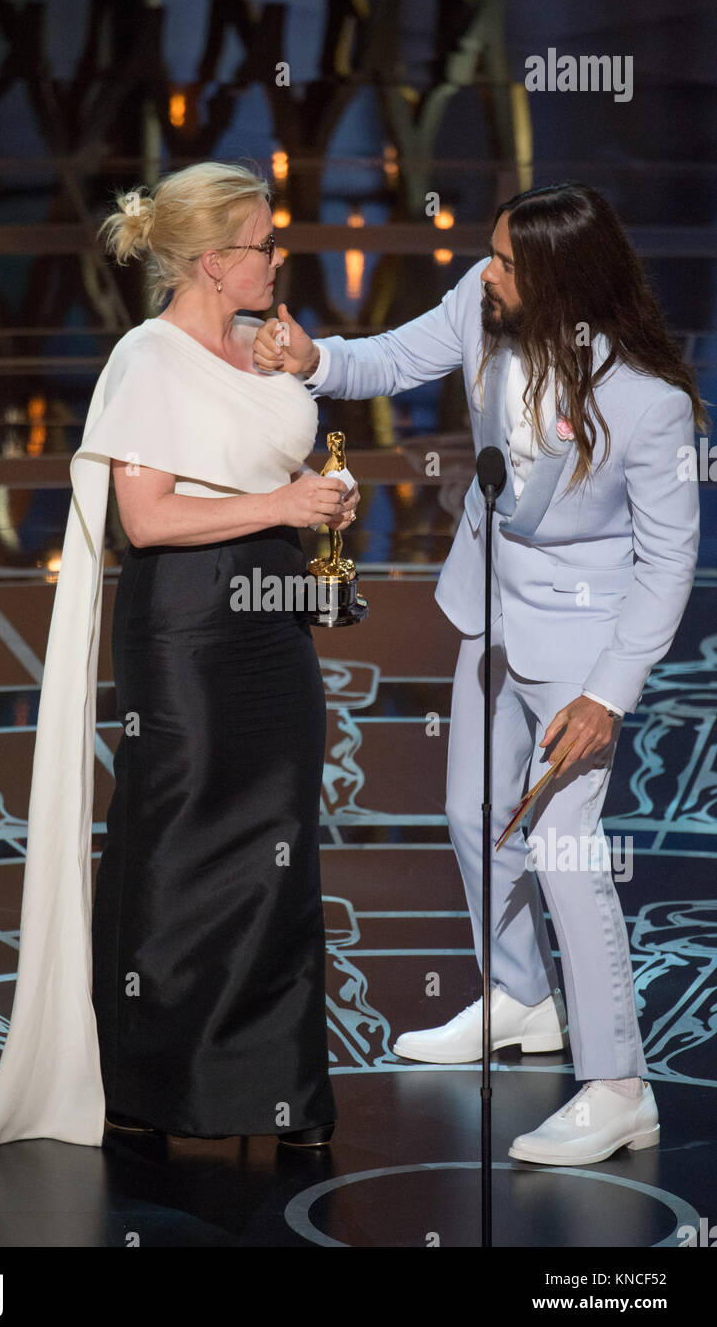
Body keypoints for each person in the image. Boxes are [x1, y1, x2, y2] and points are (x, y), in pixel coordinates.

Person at [253, 182, 705, 1166]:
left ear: (557, 282)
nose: (484, 270)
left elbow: (669, 565)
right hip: (490, 610)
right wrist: (313, 359)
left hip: (584, 646)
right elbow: (395, 357)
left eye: (502, 260)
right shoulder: (481, 305)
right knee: (470, 817)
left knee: (565, 849)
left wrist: (606, 696)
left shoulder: (646, 401)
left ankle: (619, 1086)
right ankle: (522, 996)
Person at [0, 161, 357, 1153]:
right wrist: (282, 502)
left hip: (272, 623)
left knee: (279, 841)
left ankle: (279, 1089)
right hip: (188, 633)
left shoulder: (261, 347)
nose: (280, 257)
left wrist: (316, 499)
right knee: (184, 838)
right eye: (265, 245)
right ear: (213, 260)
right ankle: (162, 1086)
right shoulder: (145, 360)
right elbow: (146, 516)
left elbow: (264, 460)